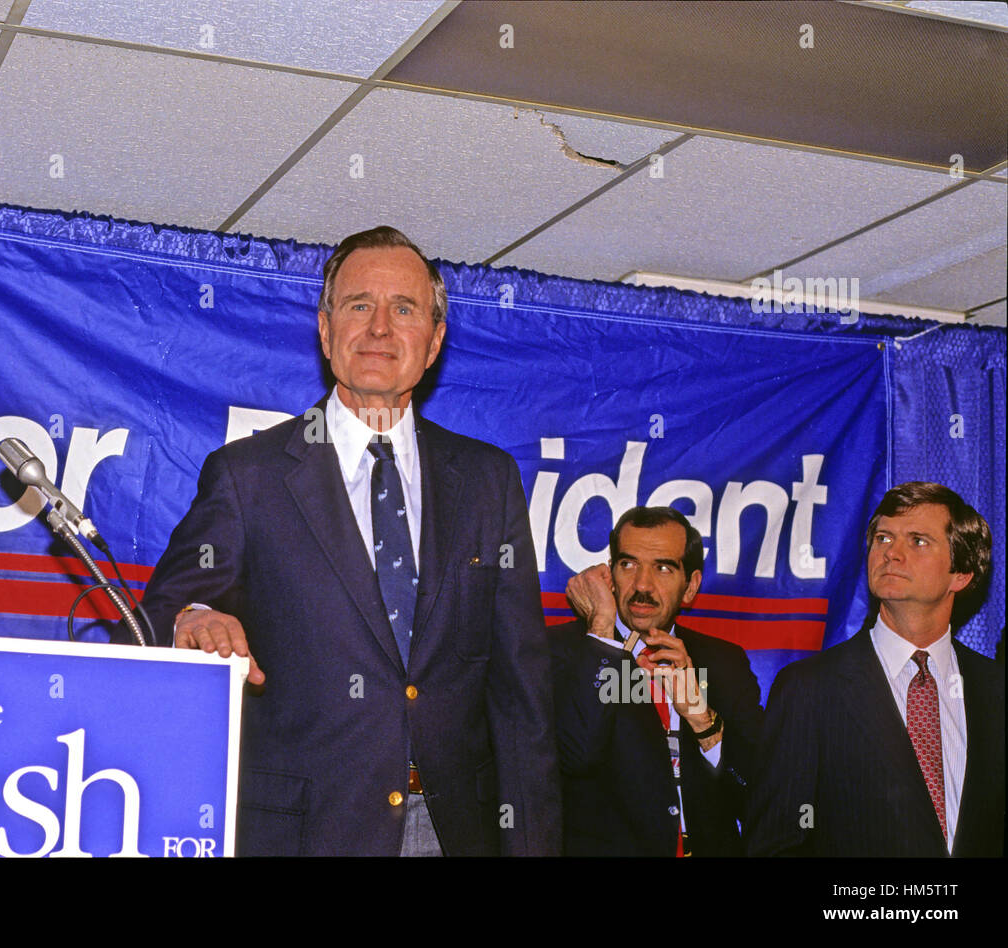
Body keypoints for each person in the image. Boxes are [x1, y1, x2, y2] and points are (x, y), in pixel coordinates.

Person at [141, 226, 560, 856]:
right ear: (326, 329)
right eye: (360, 305)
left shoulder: (488, 481)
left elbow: (523, 694)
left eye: (405, 309)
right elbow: (153, 615)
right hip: (305, 832)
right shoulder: (248, 475)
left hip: (456, 833)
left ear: (435, 340)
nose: (381, 329)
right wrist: (193, 618)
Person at [746, 482, 1003, 856]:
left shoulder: (996, 690)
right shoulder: (810, 689)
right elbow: (775, 844)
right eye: (883, 538)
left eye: (918, 541)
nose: (891, 554)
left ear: (960, 574)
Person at [549, 506, 764, 856]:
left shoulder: (724, 662)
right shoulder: (558, 652)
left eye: (663, 568)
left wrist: (701, 719)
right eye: (628, 564)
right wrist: (602, 635)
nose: (642, 585)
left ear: (691, 586)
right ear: (609, 575)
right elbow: (576, 756)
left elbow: (758, 797)